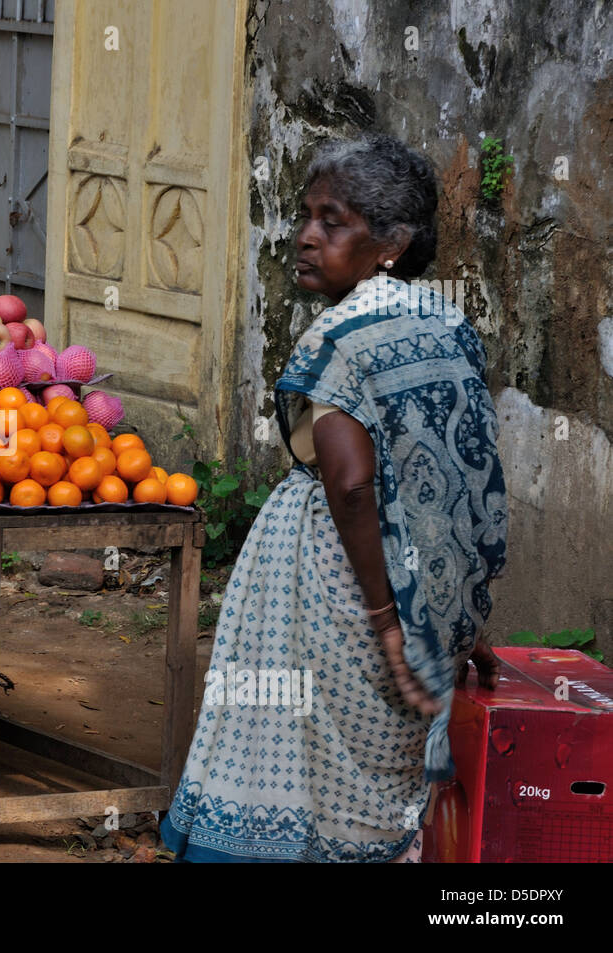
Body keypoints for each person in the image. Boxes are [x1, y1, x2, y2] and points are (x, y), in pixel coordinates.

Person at [161, 136, 508, 862]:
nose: (306, 236)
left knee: (290, 752)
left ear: (392, 243)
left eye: (333, 221)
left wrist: (388, 621)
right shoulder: (447, 325)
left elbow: (350, 483)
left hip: (332, 576)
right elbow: (459, 479)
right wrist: (451, 617)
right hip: (406, 571)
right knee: (376, 783)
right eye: (306, 216)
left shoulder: (341, 337)